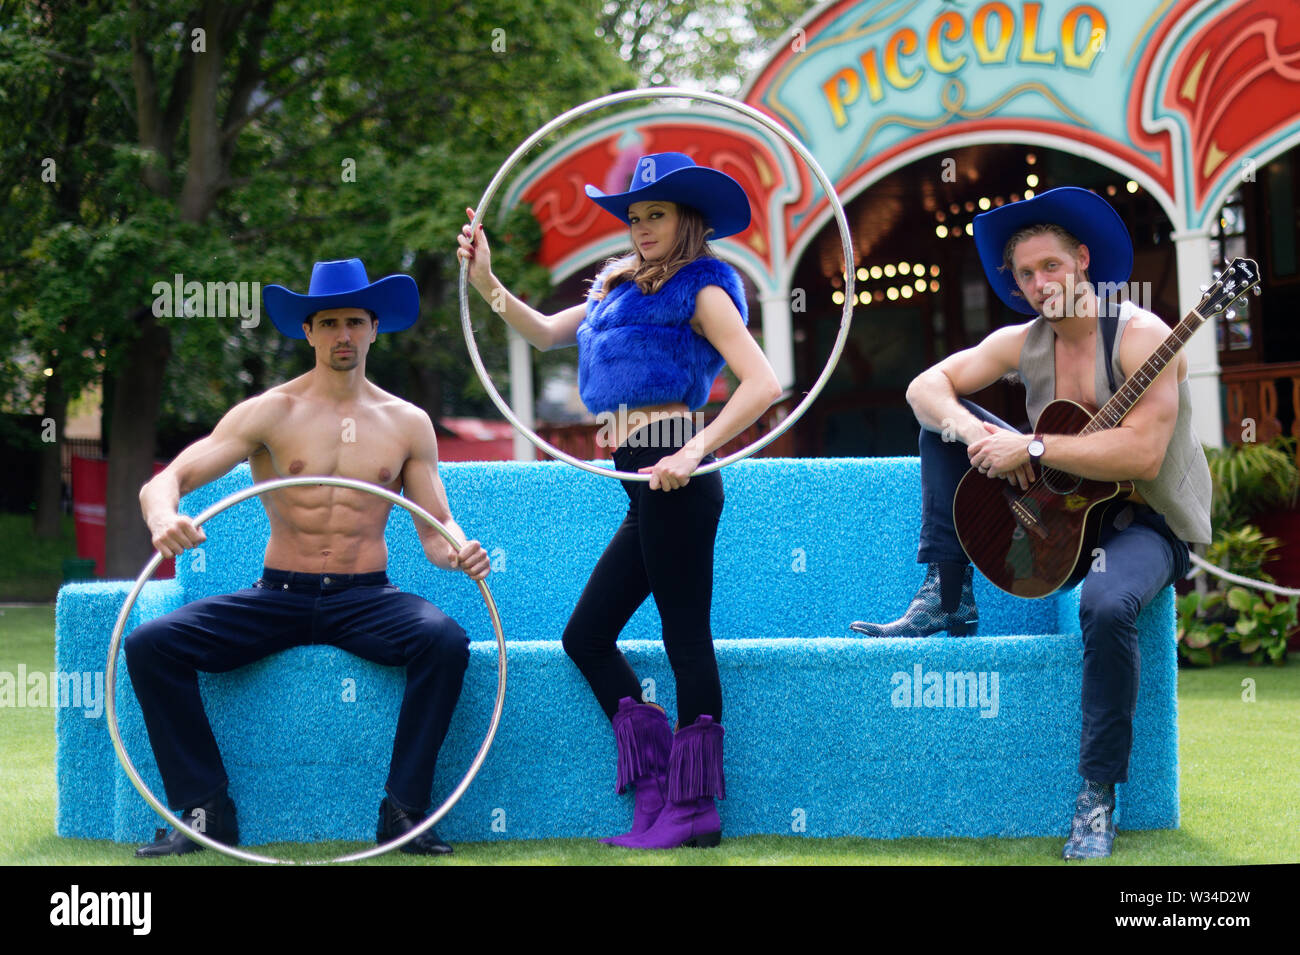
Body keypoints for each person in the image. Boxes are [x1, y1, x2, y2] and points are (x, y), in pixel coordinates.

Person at [847, 187, 1211, 859]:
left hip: (1143, 521)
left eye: (1051, 266)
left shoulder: (1142, 336)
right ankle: (946, 599)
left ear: (1082, 261)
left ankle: (1097, 794)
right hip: (1061, 514)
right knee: (943, 430)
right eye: (1024, 274)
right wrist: (977, 436)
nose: (1040, 284)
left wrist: (1035, 447)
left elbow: (1143, 451)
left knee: (1105, 605)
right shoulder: (1023, 341)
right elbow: (924, 387)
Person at [458, 152, 781, 849]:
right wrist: (486, 282)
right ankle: (661, 781)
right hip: (638, 479)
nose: (640, 228)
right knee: (585, 637)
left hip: (679, 476)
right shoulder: (618, 287)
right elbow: (544, 332)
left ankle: (695, 807)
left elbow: (763, 383)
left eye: (655, 215)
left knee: (684, 638)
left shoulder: (703, 290)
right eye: (634, 217)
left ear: (686, 220)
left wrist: (694, 450)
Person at [125, 258, 490, 857]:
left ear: (375, 328)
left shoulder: (407, 422)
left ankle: (404, 813)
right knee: (149, 644)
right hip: (280, 595)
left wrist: (460, 551)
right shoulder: (272, 411)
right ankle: (205, 809)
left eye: (353, 321)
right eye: (328, 323)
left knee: (445, 641)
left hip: (366, 597)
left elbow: (435, 528)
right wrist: (165, 518)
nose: (342, 335)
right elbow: (167, 480)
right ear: (309, 331)